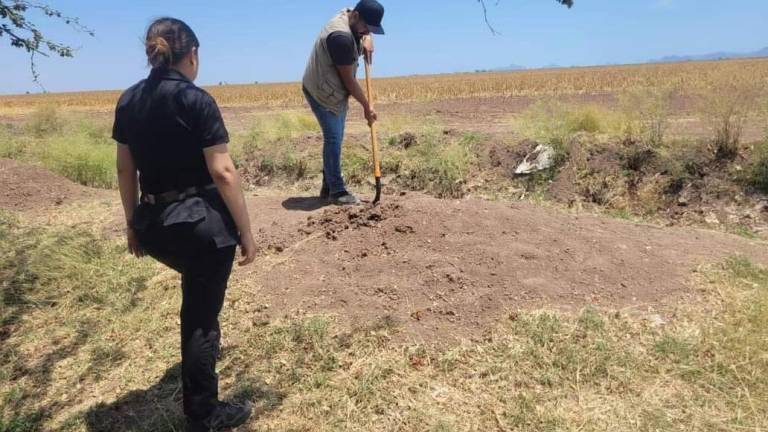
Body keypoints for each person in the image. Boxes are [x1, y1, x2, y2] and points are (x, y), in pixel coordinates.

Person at [113, 17, 256, 432]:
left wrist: (131, 224)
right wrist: (245, 231)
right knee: (199, 318)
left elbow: (125, 169)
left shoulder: (129, 100)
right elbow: (223, 171)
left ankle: (202, 366)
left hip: (154, 224)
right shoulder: (197, 100)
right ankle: (203, 412)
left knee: (197, 291)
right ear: (191, 55)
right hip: (199, 227)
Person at [302, 0, 386, 205]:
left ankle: (328, 184)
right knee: (333, 138)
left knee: (335, 138)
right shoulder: (340, 37)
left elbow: (362, 32)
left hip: (332, 87)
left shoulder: (352, 18)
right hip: (322, 92)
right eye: (367, 27)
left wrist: (367, 38)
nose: (367, 31)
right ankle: (337, 192)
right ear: (356, 16)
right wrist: (367, 107)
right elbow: (349, 81)